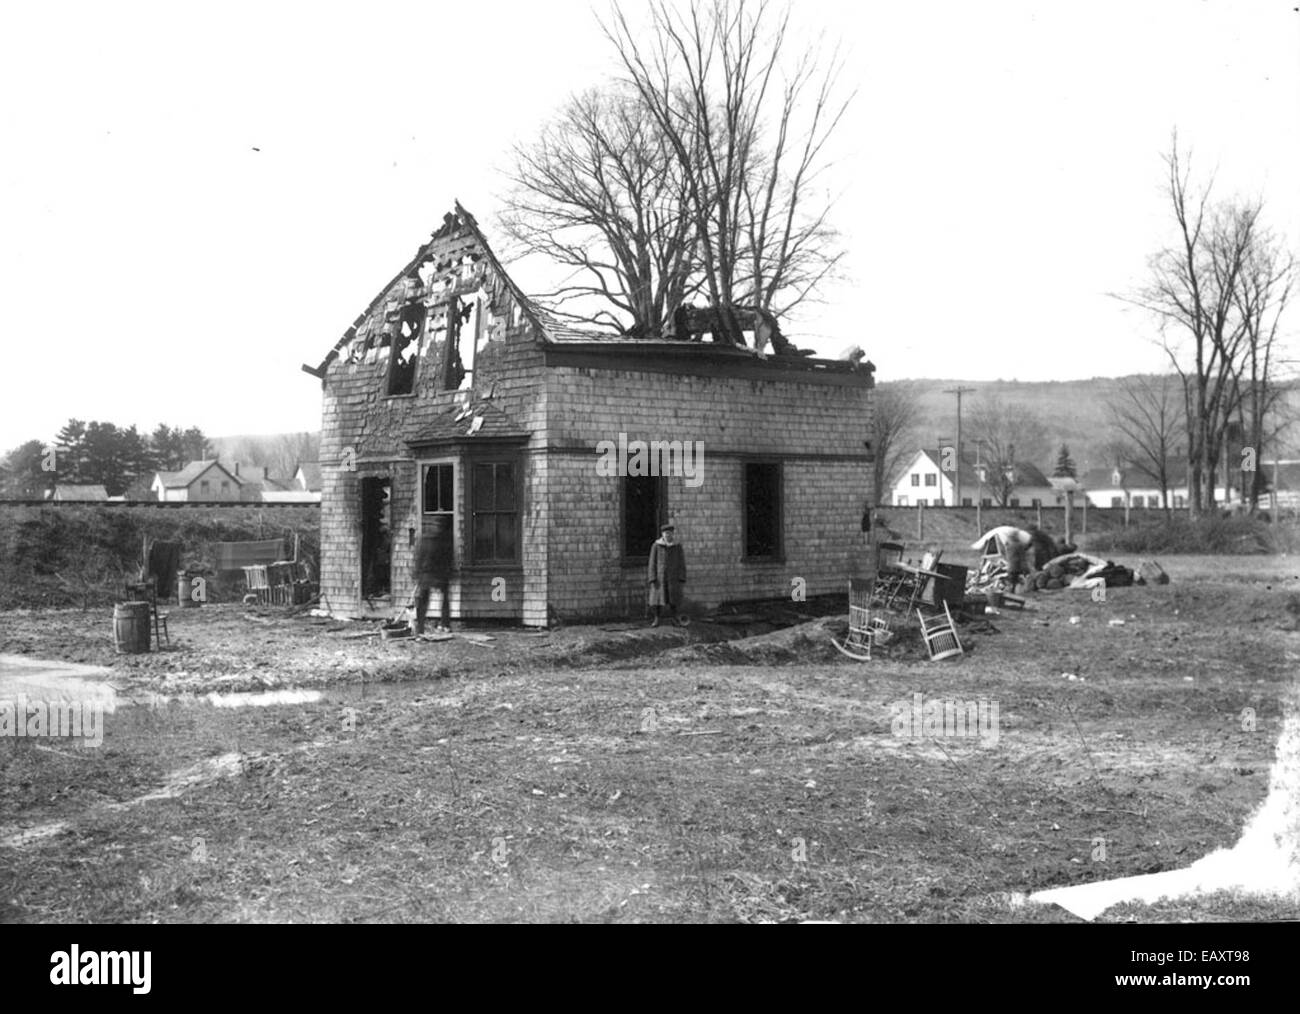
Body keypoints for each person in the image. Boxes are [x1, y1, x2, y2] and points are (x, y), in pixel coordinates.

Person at [412, 516, 453, 635]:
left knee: (444, 598)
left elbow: (448, 557)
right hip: (428, 573)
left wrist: (448, 570)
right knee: (423, 599)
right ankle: (420, 628)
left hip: (439, 573)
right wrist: (417, 572)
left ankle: (445, 624)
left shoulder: (444, 540)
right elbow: (419, 557)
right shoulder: (426, 540)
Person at [647, 524, 687, 627]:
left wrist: (682, 577)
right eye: (666, 534)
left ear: (673, 534)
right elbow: (652, 562)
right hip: (659, 579)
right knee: (657, 600)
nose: (668, 536)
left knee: (674, 600)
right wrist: (652, 577)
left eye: (670, 533)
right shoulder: (656, 546)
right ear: (662, 535)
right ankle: (657, 619)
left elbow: (681, 562)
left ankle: (674, 618)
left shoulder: (677, 546)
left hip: (673, 578)